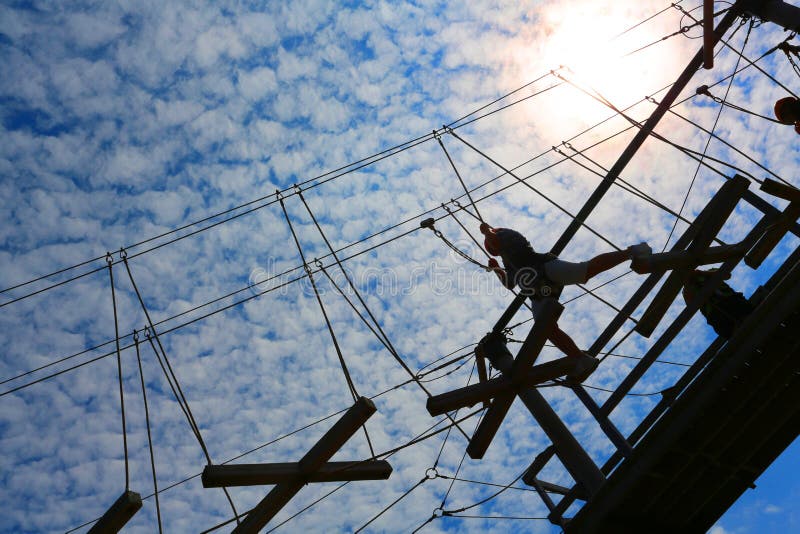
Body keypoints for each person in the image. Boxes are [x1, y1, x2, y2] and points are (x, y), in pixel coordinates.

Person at [479, 222, 651, 382]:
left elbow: (494, 240)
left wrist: (486, 231)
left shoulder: (507, 236)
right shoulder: (506, 259)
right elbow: (510, 284)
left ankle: (631, 252)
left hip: (545, 268)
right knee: (545, 329)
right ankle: (582, 359)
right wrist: (496, 269)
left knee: (584, 271)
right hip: (539, 292)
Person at [681, 268, 754, 339]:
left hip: (732, 301)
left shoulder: (710, 272)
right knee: (733, 334)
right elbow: (690, 306)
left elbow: (727, 275)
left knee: (749, 314)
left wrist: (702, 273)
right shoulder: (687, 290)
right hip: (716, 315)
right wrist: (687, 284)